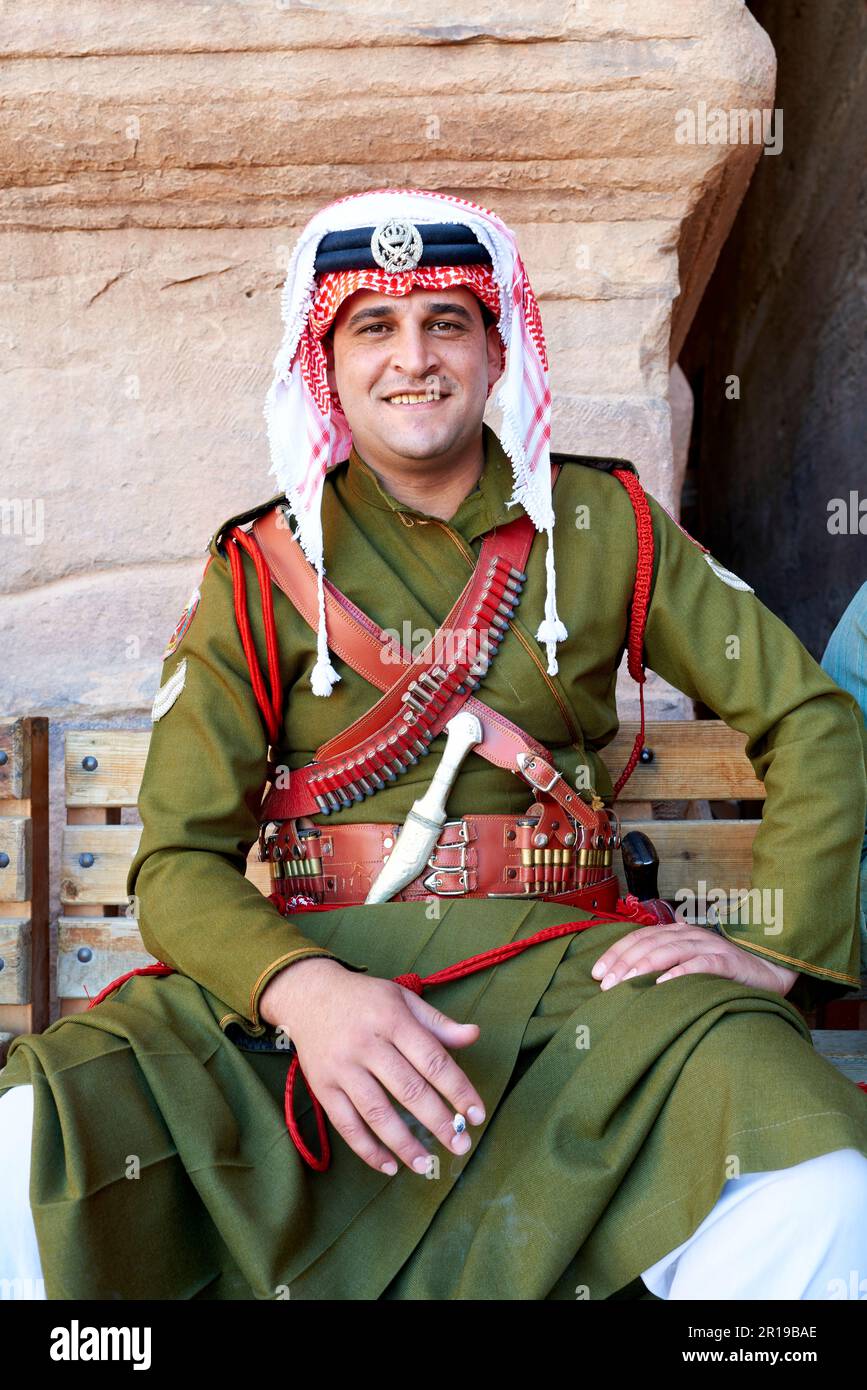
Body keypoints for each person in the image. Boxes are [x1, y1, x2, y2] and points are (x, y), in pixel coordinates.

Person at [1, 188, 866, 1303]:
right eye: (376, 326)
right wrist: (305, 994)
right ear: (328, 359)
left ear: (497, 347)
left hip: (580, 994)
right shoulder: (259, 570)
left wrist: (780, 947)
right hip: (314, 994)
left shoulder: (605, 525)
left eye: (446, 322)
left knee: (818, 1180)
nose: (414, 358)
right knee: (35, 1134)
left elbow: (813, 717)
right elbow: (176, 866)